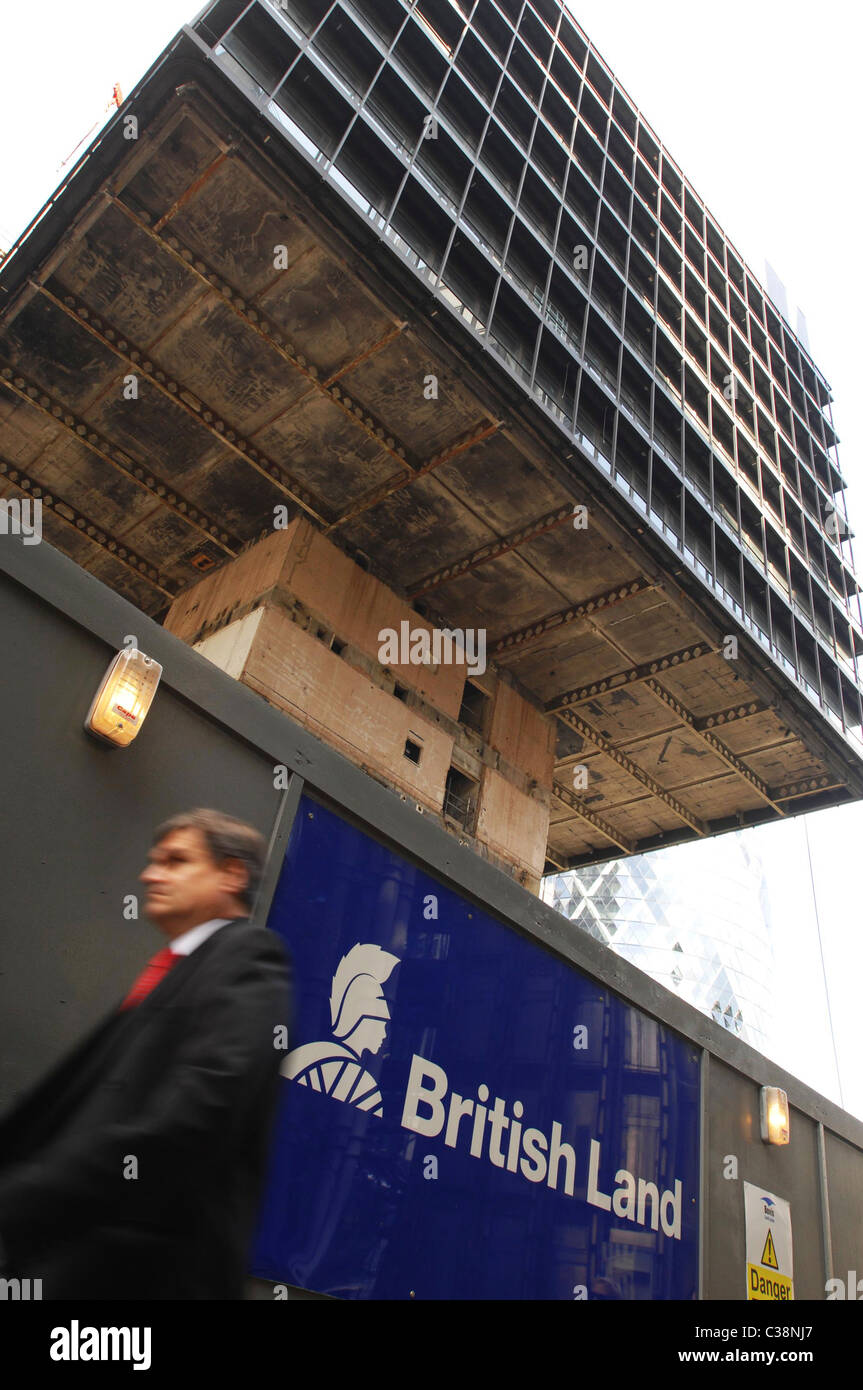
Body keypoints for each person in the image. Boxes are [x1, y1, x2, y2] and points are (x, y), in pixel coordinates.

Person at [0, 808, 292, 1299]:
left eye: (176, 861)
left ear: (231, 874)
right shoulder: (173, 970)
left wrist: (29, 1195)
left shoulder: (251, 957)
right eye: (154, 861)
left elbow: (196, 1114)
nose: (150, 874)